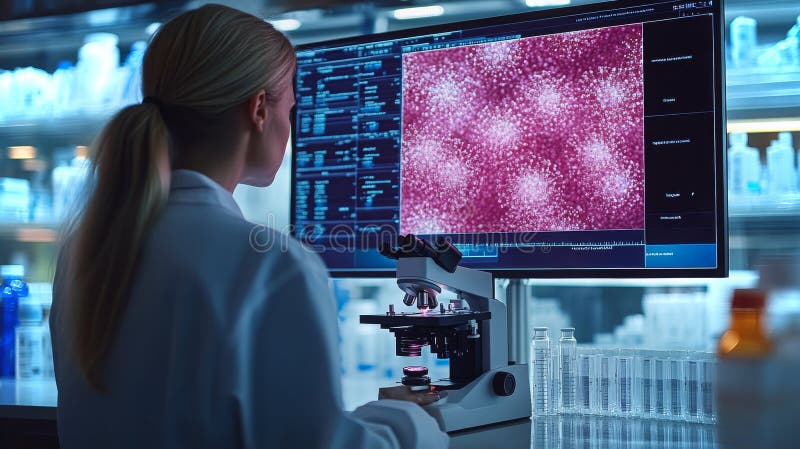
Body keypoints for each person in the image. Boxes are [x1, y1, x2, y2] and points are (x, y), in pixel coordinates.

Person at [49, 5, 449, 449]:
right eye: (291, 110)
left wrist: (372, 419)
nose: (290, 129)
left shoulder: (85, 252)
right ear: (259, 109)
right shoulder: (273, 266)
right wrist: (412, 421)